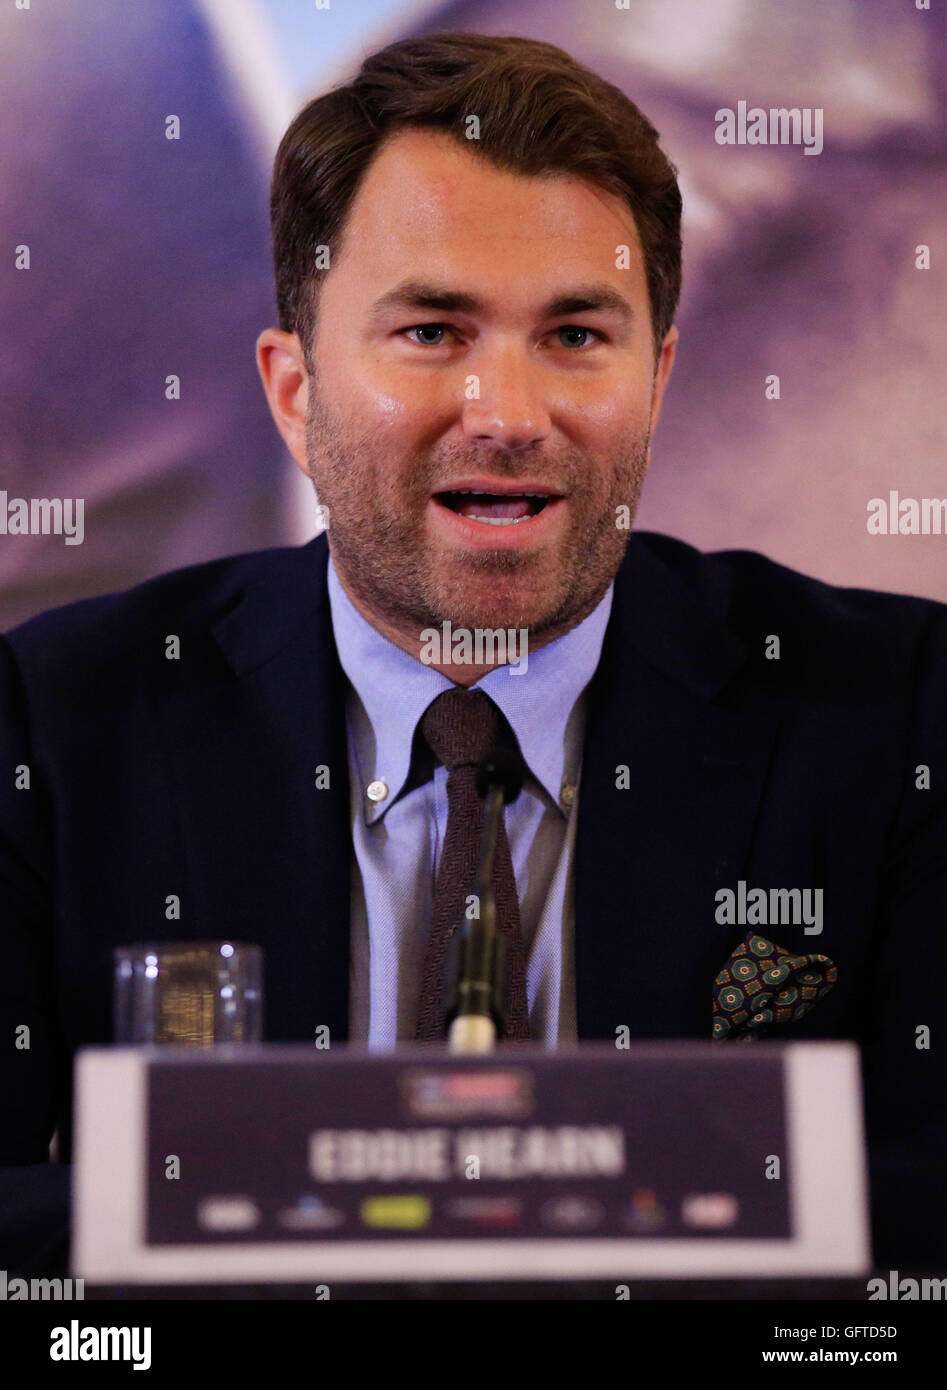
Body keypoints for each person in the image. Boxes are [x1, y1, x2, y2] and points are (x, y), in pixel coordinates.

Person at [1, 33, 944, 1278]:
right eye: (433, 330)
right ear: (294, 393)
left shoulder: (893, 713)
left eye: (573, 337)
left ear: (654, 380)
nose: (505, 413)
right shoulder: (55, 722)